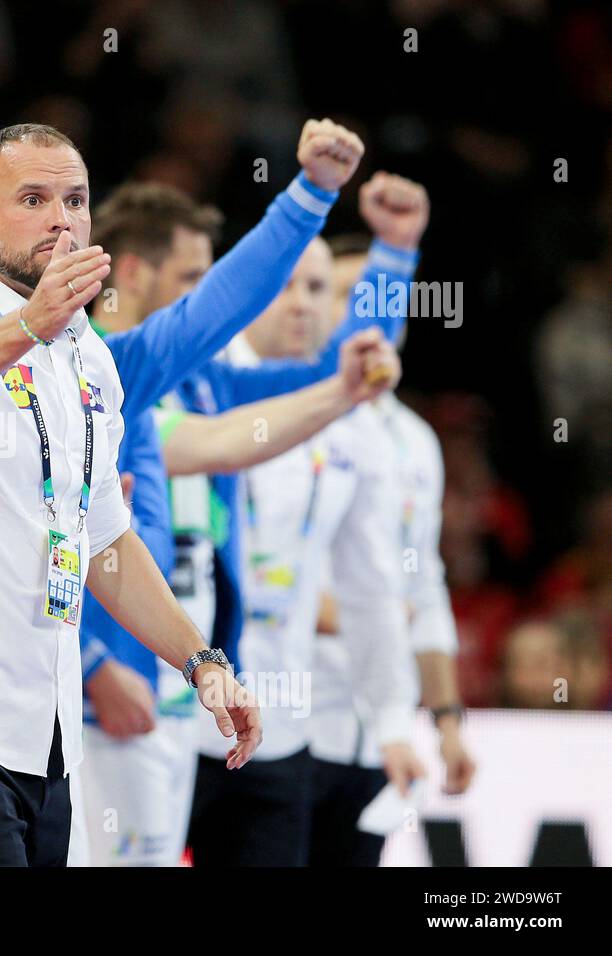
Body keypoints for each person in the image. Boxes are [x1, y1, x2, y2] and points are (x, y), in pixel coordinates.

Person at [0, 123, 261, 867]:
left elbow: (104, 540)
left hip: (41, 736)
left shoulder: (90, 357)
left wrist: (202, 662)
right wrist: (29, 324)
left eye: (75, 200)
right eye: (32, 199)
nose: (60, 219)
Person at [74, 177, 415, 865]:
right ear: (134, 274)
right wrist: (93, 665)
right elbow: (221, 442)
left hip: (194, 696)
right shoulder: (93, 374)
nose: (207, 299)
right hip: (106, 696)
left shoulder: (201, 380)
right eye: (193, 279)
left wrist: (396, 258)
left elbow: (326, 368)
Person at [184, 229, 423, 867]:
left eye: (317, 288)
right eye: (283, 284)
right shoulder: (198, 384)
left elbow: (372, 590)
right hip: (174, 713)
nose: (301, 303)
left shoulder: (357, 427)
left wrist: (395, 722)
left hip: (282, 732)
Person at [304, 236, 477, 867]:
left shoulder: (415, 441)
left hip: (380, 737)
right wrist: (364, 613)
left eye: (385, 297)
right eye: (349, 295)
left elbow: (422, 586)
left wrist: (448, 720)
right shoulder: (282, 419)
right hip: (290, 724)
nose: (370, 313)